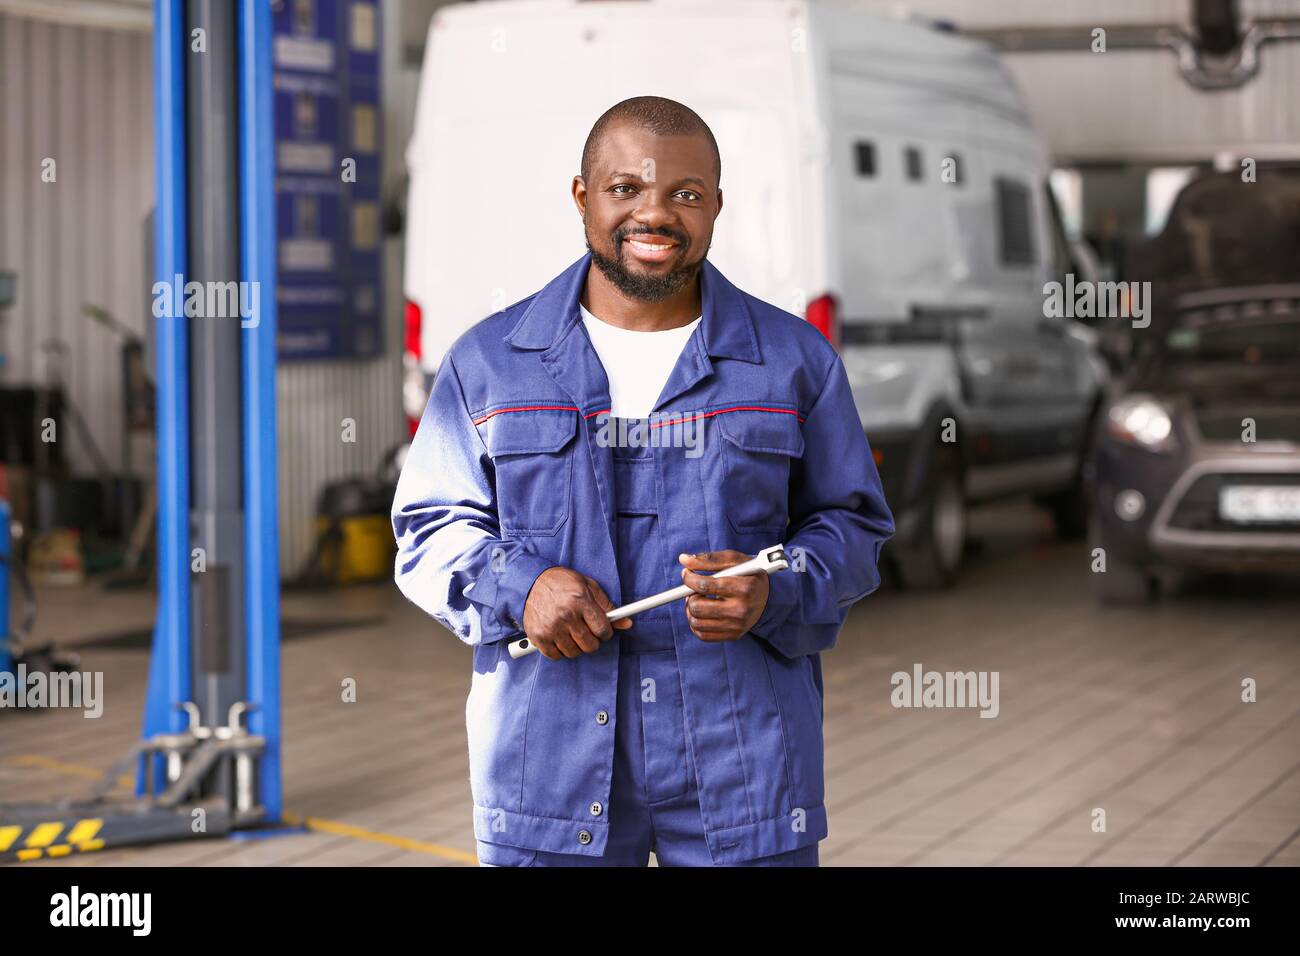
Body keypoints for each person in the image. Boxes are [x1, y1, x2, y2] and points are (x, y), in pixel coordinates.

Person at [392, 95, 894, 866]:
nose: (654, 214)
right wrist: (521, 587)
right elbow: (429, 530)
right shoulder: (491, 362)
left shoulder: (794, 361)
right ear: (582, 196)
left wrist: (777, 588)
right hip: (548, 767)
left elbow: (853, 528)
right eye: (625, 188)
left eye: (684, 193)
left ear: (717, 204)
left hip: (745, 766)